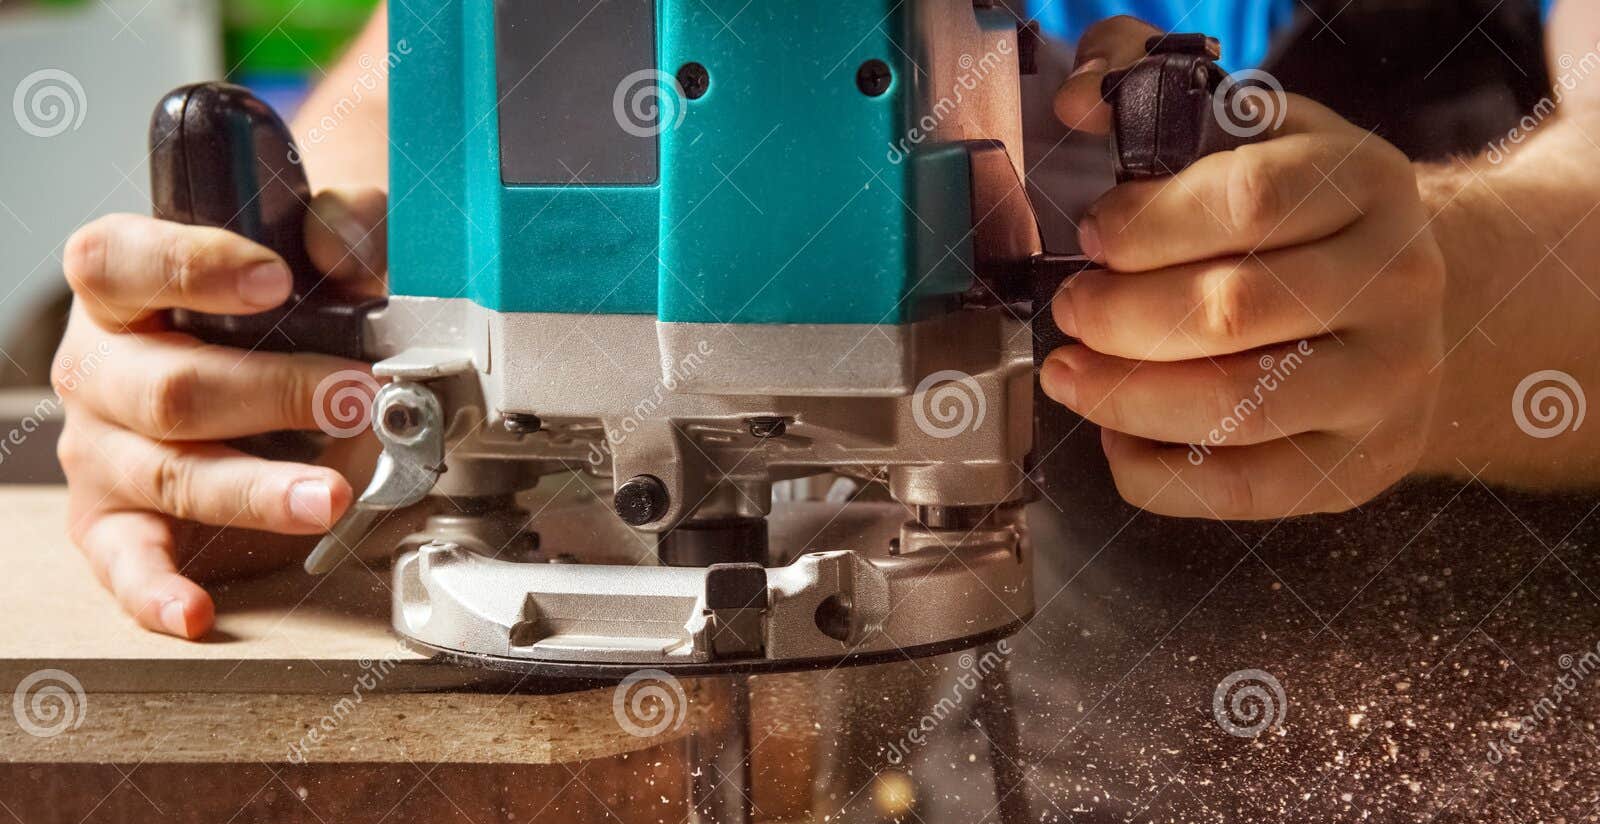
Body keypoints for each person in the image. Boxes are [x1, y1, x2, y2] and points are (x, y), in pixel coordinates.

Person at [50, 2, 1596, 637]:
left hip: (1481, 669)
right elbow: (410, 142)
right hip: (1049, 735)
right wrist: (248, 369)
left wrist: (1448, 301)